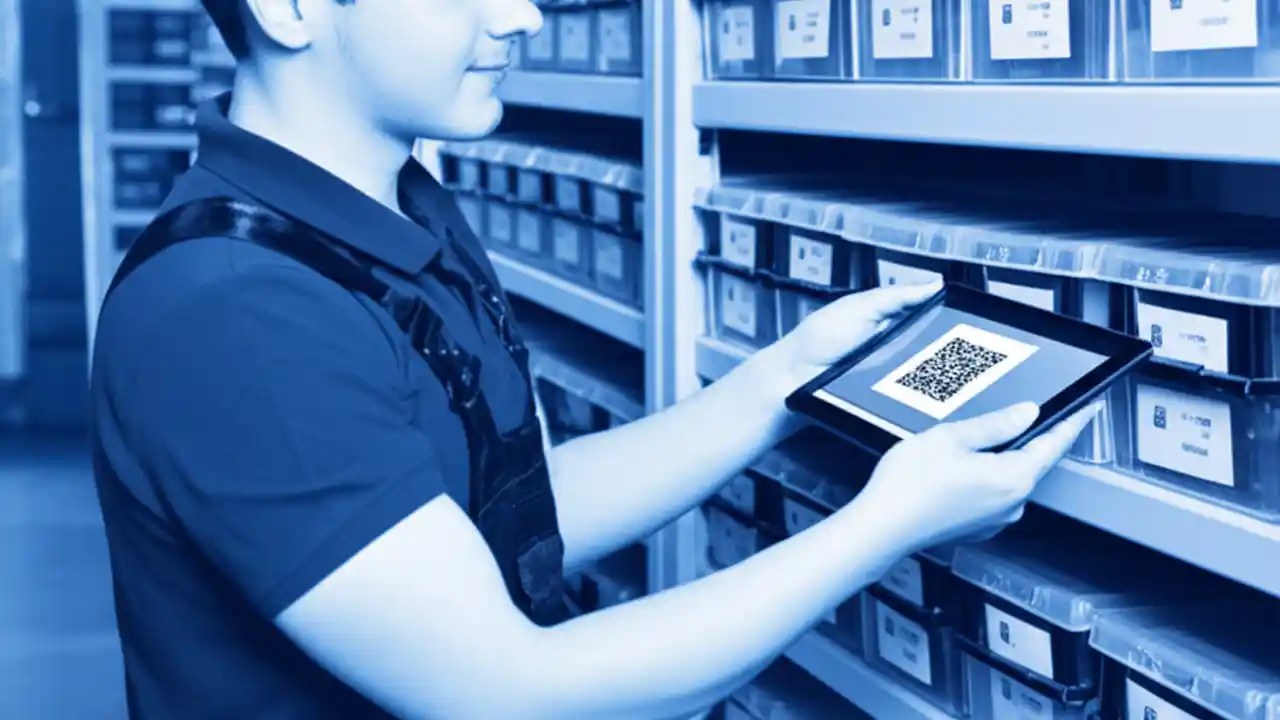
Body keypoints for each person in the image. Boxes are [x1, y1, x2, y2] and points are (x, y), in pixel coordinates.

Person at [88, 1, 1098, 718]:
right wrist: (885, 524)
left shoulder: (390, 212)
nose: (525, 14)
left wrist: (782, 383)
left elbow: (504, 513)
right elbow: (507, 692)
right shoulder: (234, 311)